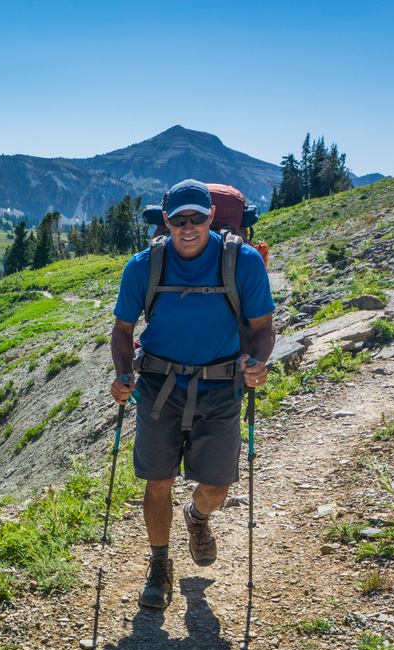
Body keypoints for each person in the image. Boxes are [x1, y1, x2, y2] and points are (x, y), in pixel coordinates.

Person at [109, 179, 275, 608]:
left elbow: (262, 328)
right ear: (166, 220)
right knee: (157, 482)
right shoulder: (142, 266)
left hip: (221, 387)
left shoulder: (244, 263)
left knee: (217, 487)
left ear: (211, 219)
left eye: (197, 218)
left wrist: (257, 362)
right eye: (179, 218)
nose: (188, 226)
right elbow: (123, 330)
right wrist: (123, 373)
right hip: (158, 388)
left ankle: (197, 517)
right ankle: (160, 564)